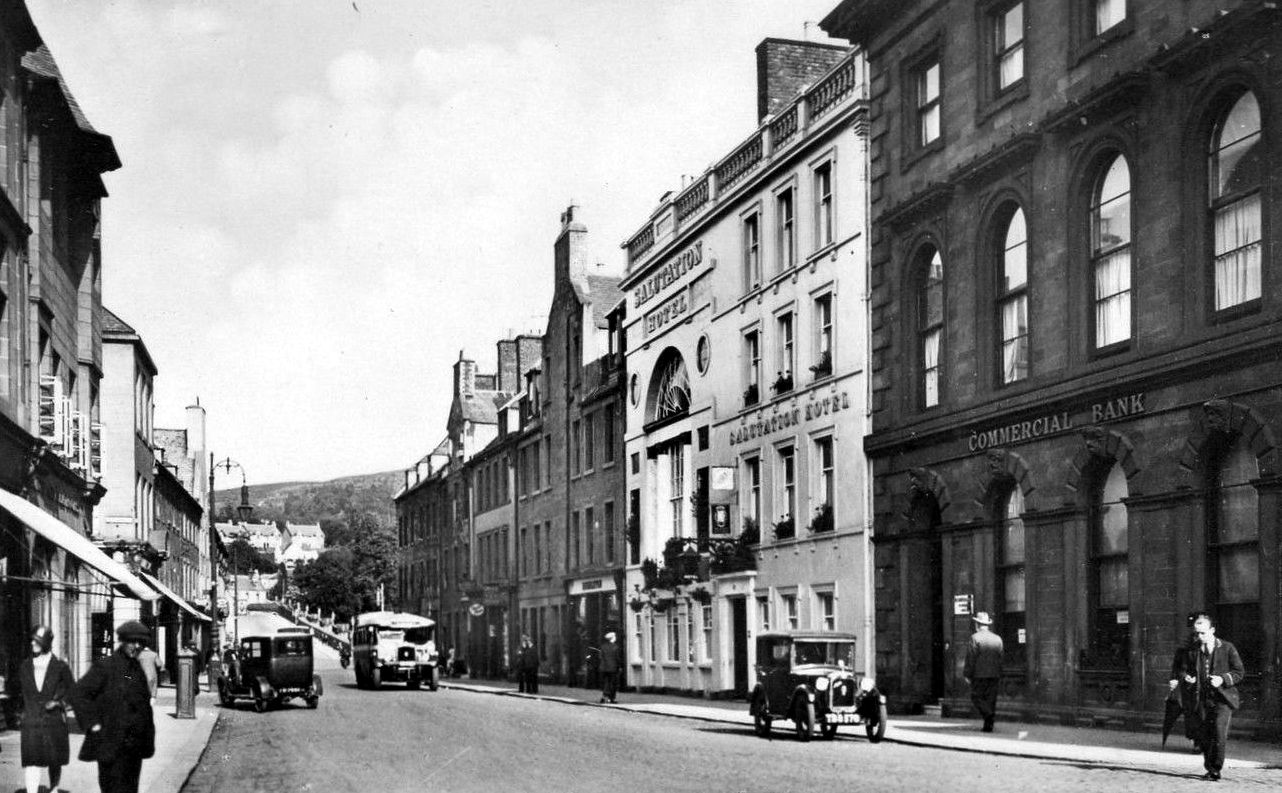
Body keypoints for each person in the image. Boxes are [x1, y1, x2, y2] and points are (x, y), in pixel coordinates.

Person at [69, 620, 156, 793]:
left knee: (131, 789)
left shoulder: (136, 668)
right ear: (123, 641)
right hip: (111, 743)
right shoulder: (106, 666)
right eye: (132, 642)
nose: (137, 646)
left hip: (133, 746)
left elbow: (141, 702)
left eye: (141, 643)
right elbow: (78, 693)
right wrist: (92, 723)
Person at [1187, 612, 1245, 781]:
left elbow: (1239, 672)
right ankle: (1209, 767)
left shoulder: (1227, 648)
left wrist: (1222, 679)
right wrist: (1189, 678)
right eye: (1196, 633)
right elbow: (1188, 671)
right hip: (1202, 699)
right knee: (1204, 736)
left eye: (1202, 633)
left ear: (1212, 630)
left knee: (1219, 734)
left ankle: (1215, 770)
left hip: (1223, 700)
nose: (1199, 636)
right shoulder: (1193, 651)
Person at [19, 626, 74, 793]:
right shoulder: (25, 666)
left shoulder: (60, 667)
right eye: (32, 640)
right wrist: (20, 714)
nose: (33, 644)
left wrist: (59, 704)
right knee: (31, 760)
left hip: (54, 720)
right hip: (31, 720)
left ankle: (54, 788)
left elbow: (72, 692)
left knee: (54, 759)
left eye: (37, 641)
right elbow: (17, 691)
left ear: (47, 642)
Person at [963, 611, 1004, 733]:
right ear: (987, 625)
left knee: (976, 697)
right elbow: (1001, 658)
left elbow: (971, 658)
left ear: (977, 624)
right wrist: (999, 673)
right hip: (994, 675)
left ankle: (988, 714)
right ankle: (988, 726)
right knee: (991, 699)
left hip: (979, 675)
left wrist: (967, 674)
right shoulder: (997, 639)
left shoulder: (975, 638)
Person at [1168, 611, 1203, 752]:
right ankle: (1196, 741)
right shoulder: (1184, 647)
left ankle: (1204, 741)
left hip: (1205, 686)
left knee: (1203, 713)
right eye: (1194, 628)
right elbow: (1177, 666)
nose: (1196, 633)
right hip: (1189, 687)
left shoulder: (1210, 644)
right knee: (1191, 713)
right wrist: (1180, 677)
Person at [598, 631, 621, 704]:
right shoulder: (615, 647)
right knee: (613, 683)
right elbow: (617, 658)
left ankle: (604, 696)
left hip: (604, 668)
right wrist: (619, 666)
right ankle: (611, 698)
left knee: (606, 683)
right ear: (612, 638)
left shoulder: (603, 647)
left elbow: (600, 657)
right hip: (613, 668)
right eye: (615, 637)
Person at [137, 641, 162, 706]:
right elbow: (159, 664)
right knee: (152, 693)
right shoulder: (154, 654)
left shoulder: (139, 655)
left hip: (142, 676)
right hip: (152, 675)